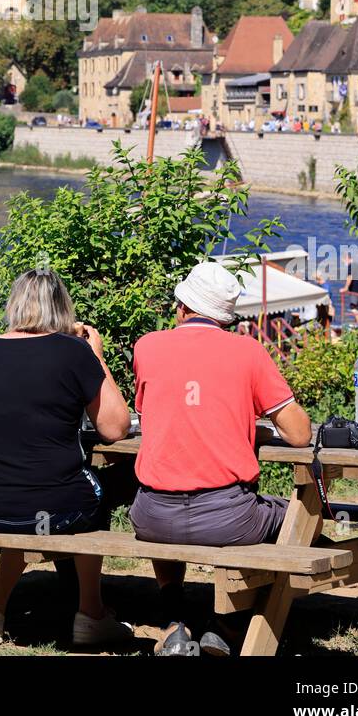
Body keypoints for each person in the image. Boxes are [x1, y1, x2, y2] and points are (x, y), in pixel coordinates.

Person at [130, 259, 312, 657]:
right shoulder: (248, 352)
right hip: (229, 518)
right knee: (296, 517)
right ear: (225, 319)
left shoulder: (147, 346)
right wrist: (253, 425)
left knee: (170, 503)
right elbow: (300, 435)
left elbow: (153, 415)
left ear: (182, 307)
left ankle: (176, 621)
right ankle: (228, 623)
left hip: (151, 515)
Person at [0, 268, 133, 648]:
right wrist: (96, 356)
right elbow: (115, 428)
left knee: (24, 486)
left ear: (16, 304)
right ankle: (91, 614)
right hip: (49, 507)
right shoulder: (74, 351)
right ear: (62, 307)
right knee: (94, 491)